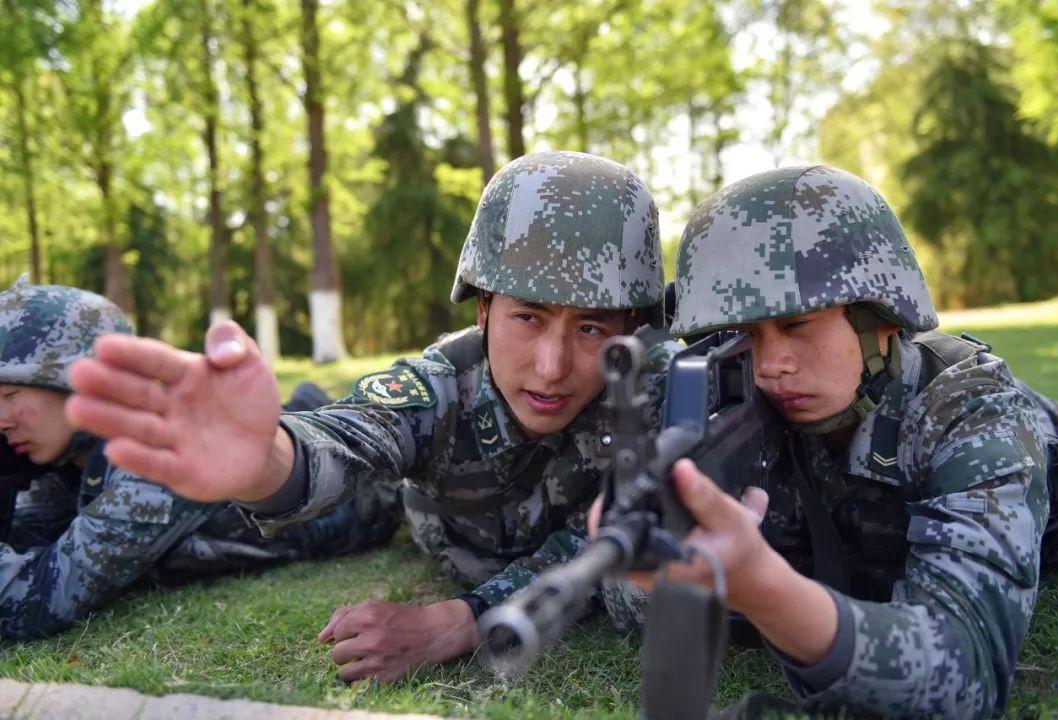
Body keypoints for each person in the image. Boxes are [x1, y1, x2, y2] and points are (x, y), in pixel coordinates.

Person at [65, 150, 678, 682]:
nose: (550, 367)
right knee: (189, 533)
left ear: (631, 328)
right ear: (484, 309)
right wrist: (270, 459)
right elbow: (350, 435)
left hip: (459, 539)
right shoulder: (439, 386)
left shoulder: (658, 396)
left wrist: (456, 623)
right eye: (528, 318)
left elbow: (609, 558)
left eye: (591, 327)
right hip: (397, 506)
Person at [602, 164, 1058, 718]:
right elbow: (626, 595)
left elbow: (964, 676)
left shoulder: (970, 411)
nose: (771, 365)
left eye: (798, 325)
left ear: (881, 316)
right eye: (747, 336)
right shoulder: (733, 416)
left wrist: (764, 587)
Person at [0, 278, 399, 641]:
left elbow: (30, 604)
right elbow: (27, 541)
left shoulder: (154, 457)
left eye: (11, 396)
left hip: (365, 498)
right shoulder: (68, 461)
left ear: (77, 379)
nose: (2, 420)